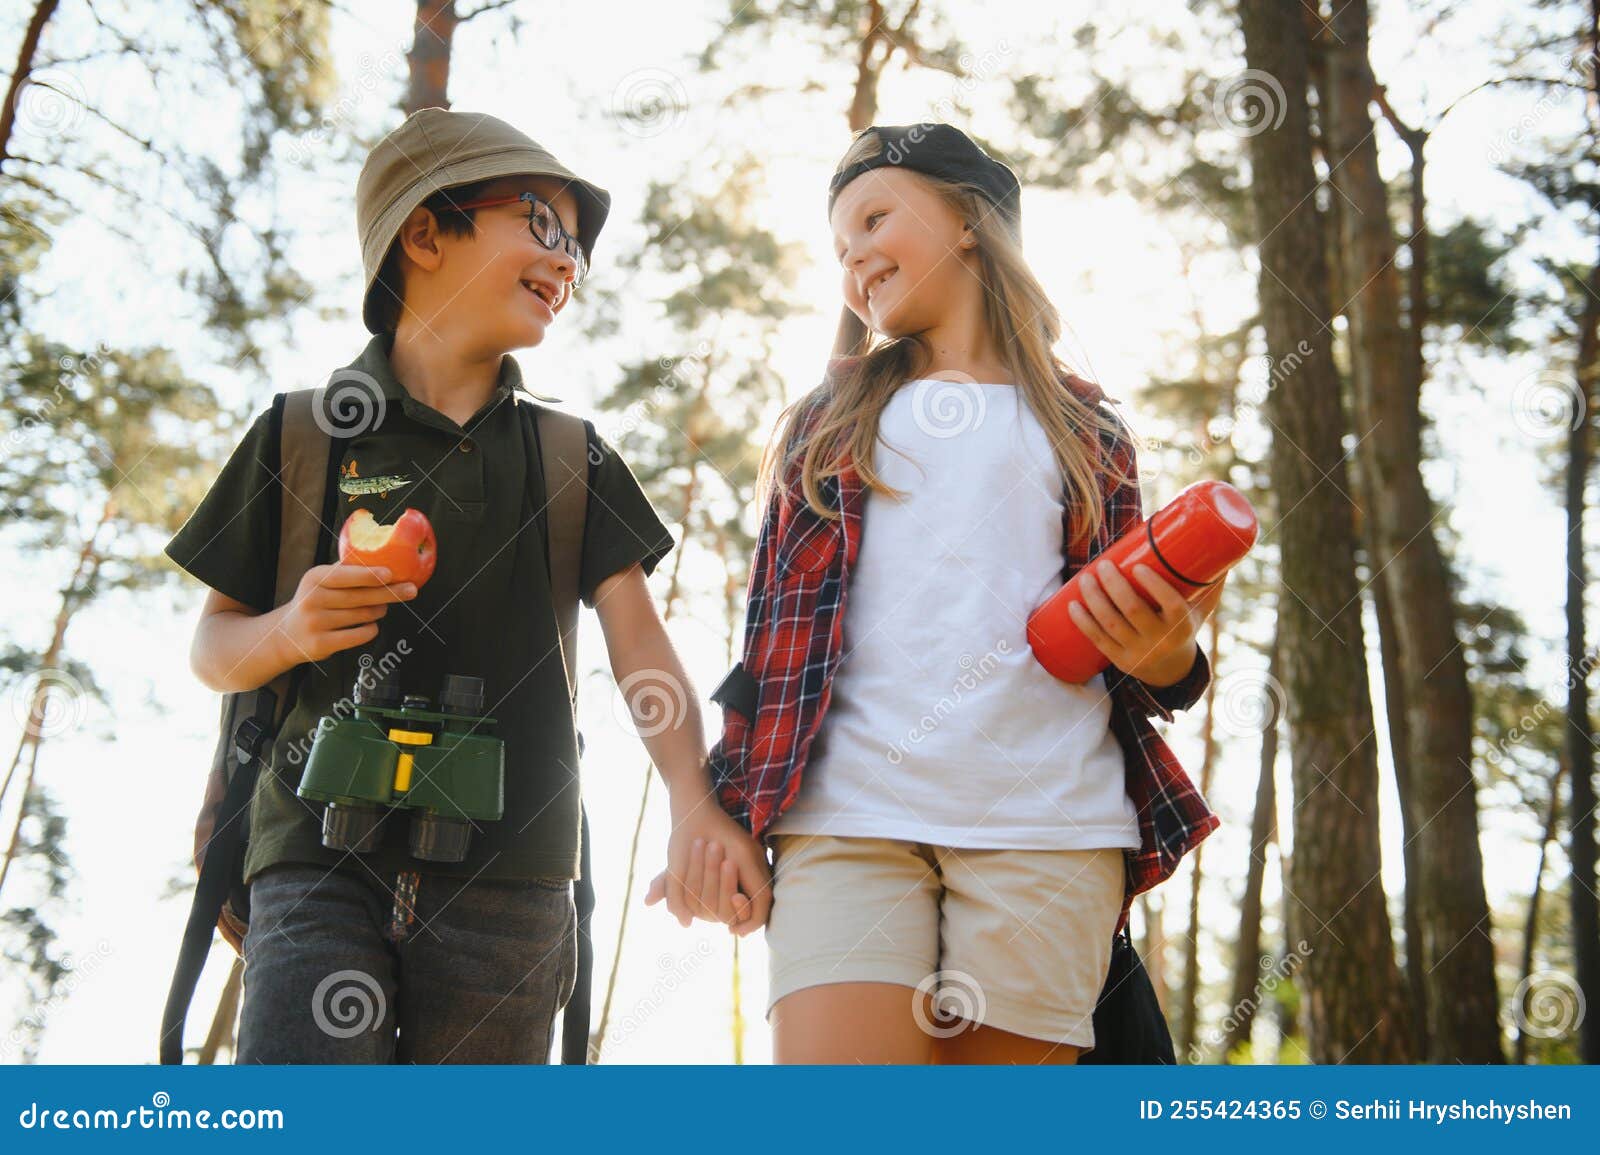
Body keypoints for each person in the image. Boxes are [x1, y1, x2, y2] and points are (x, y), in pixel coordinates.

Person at [166, 108, 768, 1064]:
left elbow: (640, 647)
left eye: (577, 244)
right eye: (540, 222)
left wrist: (695, 803)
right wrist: (289, 627)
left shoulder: (570, 455)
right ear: (423, 231)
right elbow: (213, 646)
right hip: (315, 863)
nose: (567, 259)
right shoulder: (303, 434)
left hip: (515, 881)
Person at [686, 122, 1224, 1065]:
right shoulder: (827, 425)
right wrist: (723, 811)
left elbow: (1141, 657)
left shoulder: (1086, 429)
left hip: (1046, 835)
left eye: (874, 218)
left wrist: (1171, 656)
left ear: (971, 223)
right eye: (839, 247)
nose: (853, 258)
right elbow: (768, 651)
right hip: (843, 824)